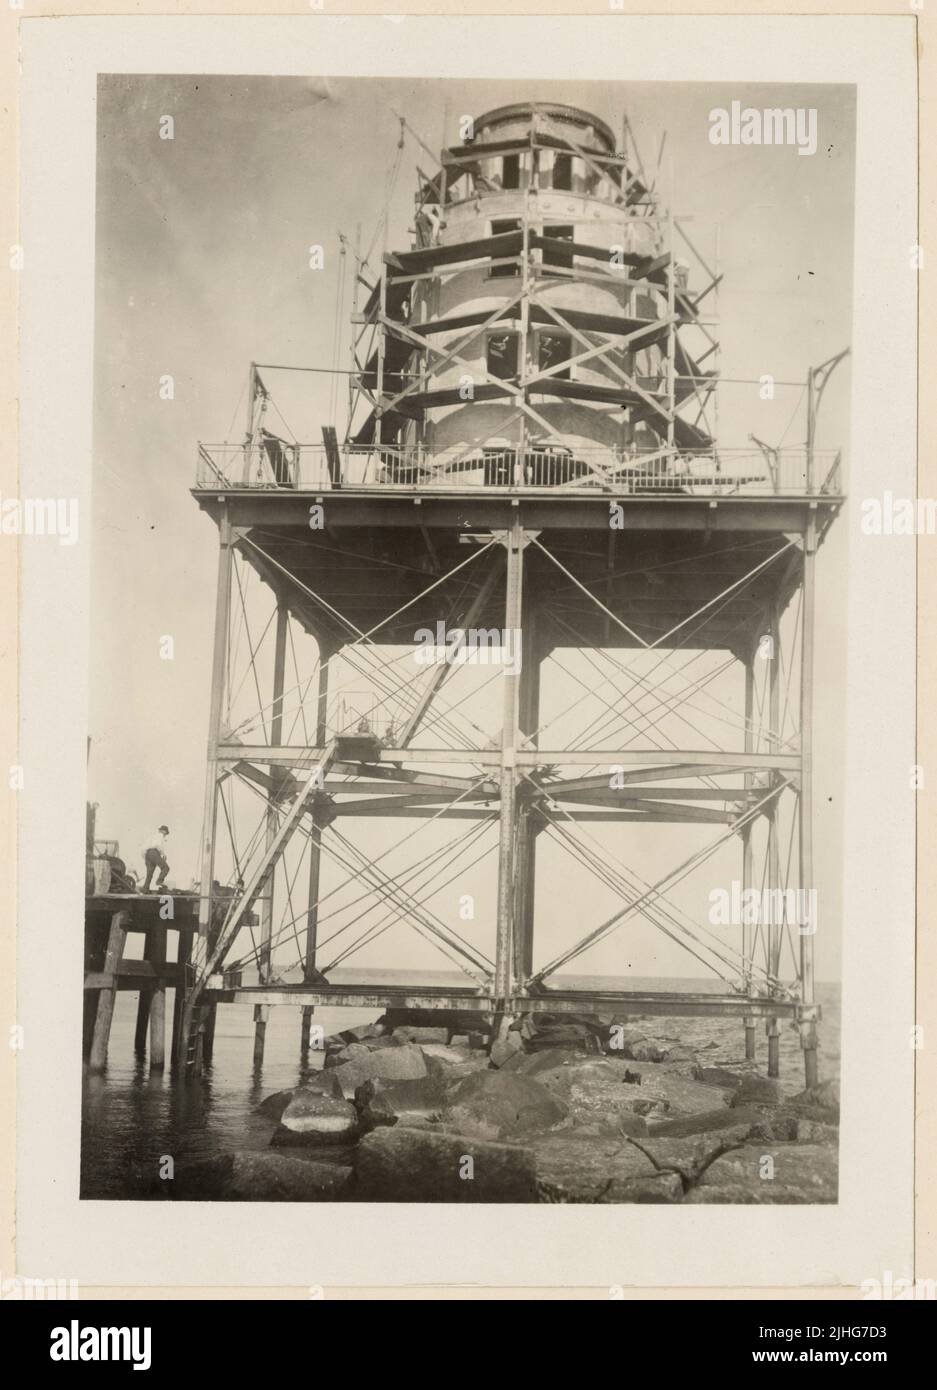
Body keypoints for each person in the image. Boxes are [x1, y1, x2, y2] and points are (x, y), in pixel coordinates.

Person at [142, 825, 170, 893]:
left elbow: (143, 849)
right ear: (164, 831)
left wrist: (146, 858)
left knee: (149, 874)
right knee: (166, 868)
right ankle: (159, 881)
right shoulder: (160, 835)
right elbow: (158, 845)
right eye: (165, 833)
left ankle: (145, 889)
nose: (165, 835)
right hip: (154, 852)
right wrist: (163, 854)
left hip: (147, 854)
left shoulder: (152, 836)